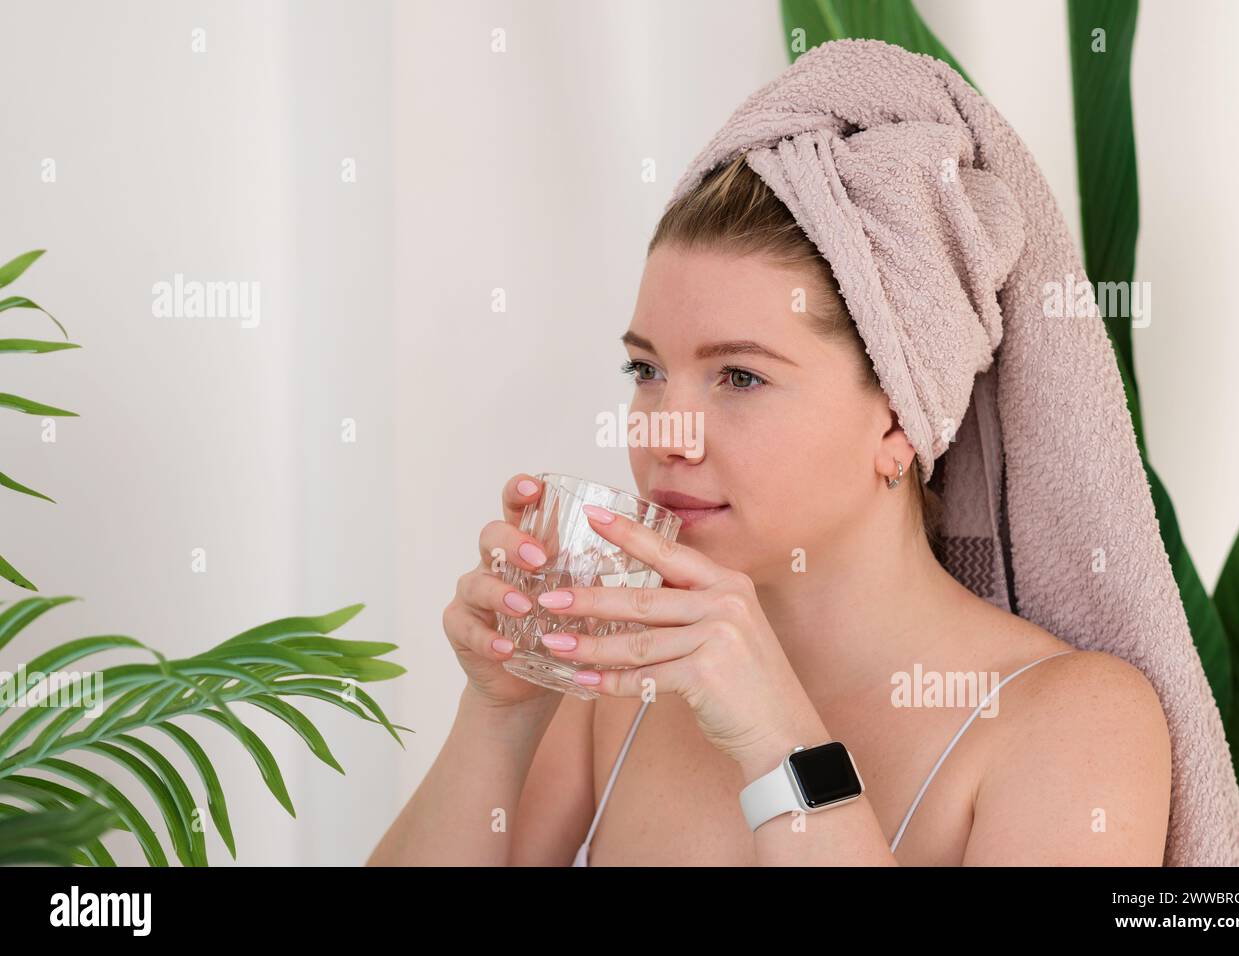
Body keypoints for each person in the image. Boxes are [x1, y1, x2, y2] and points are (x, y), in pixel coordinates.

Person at [367, 153, 1172, 866]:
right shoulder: (621, 682)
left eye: (740, 377)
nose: (663, 432)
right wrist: (499, 715)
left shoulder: (1069, 721)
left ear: (897, 420)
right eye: (645, 369)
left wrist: (779, 744)